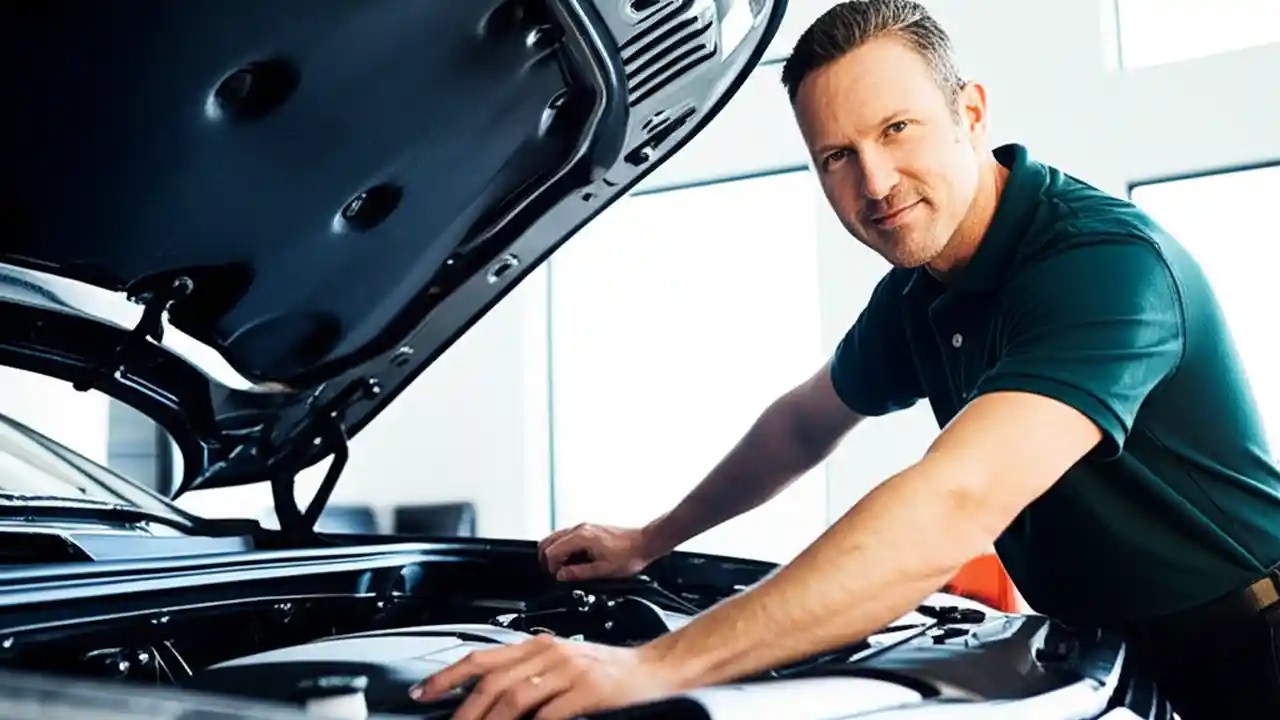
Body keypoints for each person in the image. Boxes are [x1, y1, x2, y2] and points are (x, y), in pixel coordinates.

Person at [410, 1, 1280, 718]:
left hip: (1254, 654)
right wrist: (651, 540)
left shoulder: (1103, 268)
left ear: (970, 113)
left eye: (898, 129)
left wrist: (648, 669)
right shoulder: (920, 289)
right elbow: (802, 424)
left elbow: (954, 503)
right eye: (838, 156)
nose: (874, 183)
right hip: (1108, 658)